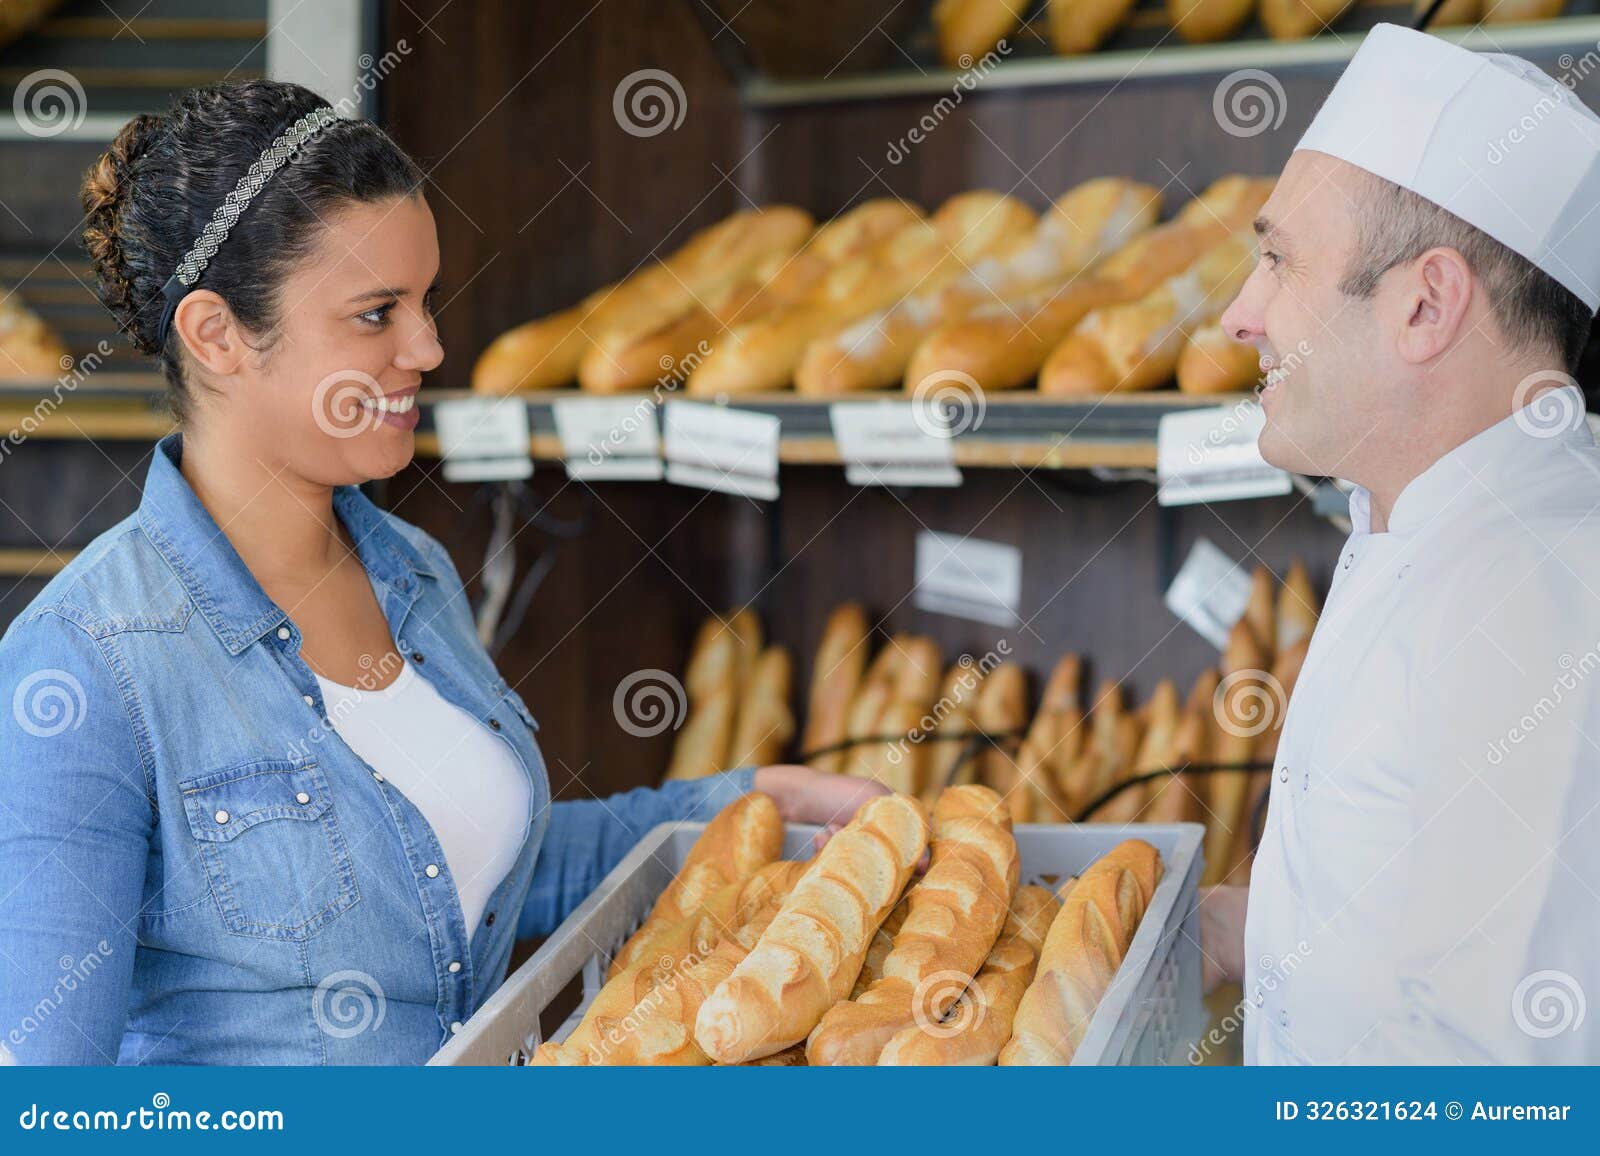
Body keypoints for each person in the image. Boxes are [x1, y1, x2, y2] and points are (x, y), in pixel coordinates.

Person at [0, 80, 881, 1065]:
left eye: (425, 302)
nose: (428, 347)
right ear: (217, 335)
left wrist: (743, 801)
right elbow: (48, 1110)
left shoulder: (409, 568)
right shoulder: (84, 666)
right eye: (377, 315)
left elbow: (472, 865)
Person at [1206, 23, 1600, 1063]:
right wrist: (1203, 929)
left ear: (1423, 304)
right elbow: (1414, 950)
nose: (1236, 315)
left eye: (1276, 263)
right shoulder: (1426, 524)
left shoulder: (1539, 601)